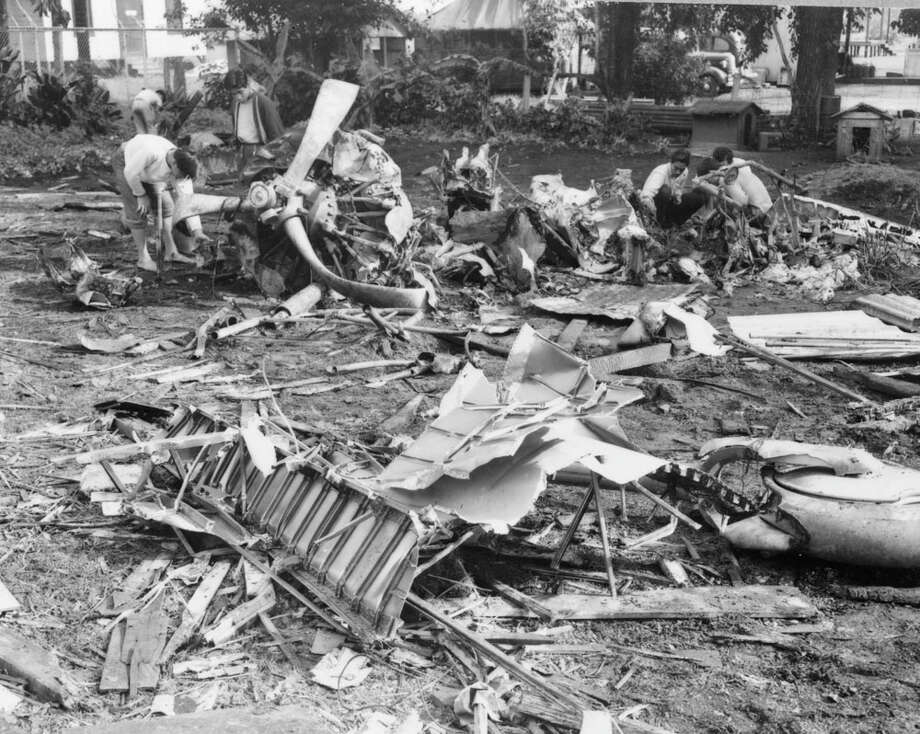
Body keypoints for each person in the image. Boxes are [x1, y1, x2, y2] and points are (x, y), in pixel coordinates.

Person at [113, 134, 201, 272]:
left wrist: (197, 231)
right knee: (138, 210)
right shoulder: (151, 152)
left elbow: (188, 201)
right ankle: (144, 259)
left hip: (149, 172)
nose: (178, 180)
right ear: (174, 164)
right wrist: (141, 194)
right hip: (127, 163)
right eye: (178, 176)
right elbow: (130, 173)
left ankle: (171, 252)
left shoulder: (182, 164)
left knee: (167, 208)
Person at [638, 149, 708, 229]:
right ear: (671, 163)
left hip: (670, 203)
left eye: (681, 170)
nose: (678, 172)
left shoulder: (685, 172)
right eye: (676, 168)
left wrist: (677, 195)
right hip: (655, 206)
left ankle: (675, 223)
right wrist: (651, 212)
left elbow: (679, 189)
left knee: (699, 197)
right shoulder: (661, 172)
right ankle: (660, 223)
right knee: (665, 190)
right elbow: (646, 195)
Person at [225, 69, 284, 149]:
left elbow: (276, 134)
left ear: (248, 86)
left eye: (240, 92)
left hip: (261, 150)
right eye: (233, 94)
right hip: (243, 149)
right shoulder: (235, 103)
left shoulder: (263, 102)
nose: (237, 97)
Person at [712, 146, 773, 215]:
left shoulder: (727, 177)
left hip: (758, 211)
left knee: (721, 200)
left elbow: (742, 202)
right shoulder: (741, 162)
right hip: (768, 204)